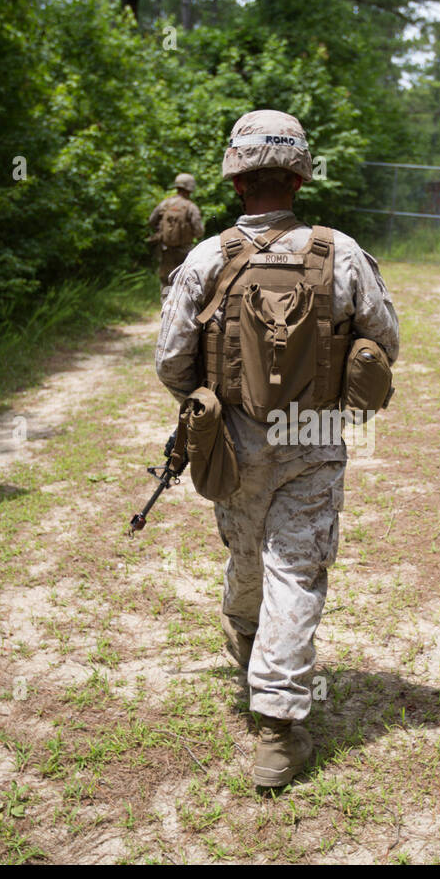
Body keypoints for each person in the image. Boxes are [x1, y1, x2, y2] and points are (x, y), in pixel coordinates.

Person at [155, 110, 399, 787]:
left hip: (231, 441)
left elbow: (172, 361)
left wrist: (212, 396)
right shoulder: (342, 253)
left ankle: (244, 636)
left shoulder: (207, 257)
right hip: (314, 436)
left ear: (235, 183)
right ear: (300, 176)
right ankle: (277, 734)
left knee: (245, 550)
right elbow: (385, 345)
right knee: (296, 566)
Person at [148, 173, 204, 302]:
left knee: (165, 280)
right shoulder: (190, 207)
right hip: (185, 250)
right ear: (190, 188)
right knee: (186, 280)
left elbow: (151, 220)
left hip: (165, 249)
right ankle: (182, 308)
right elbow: (199, 231)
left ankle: (165, 307)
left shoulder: (165, 204)